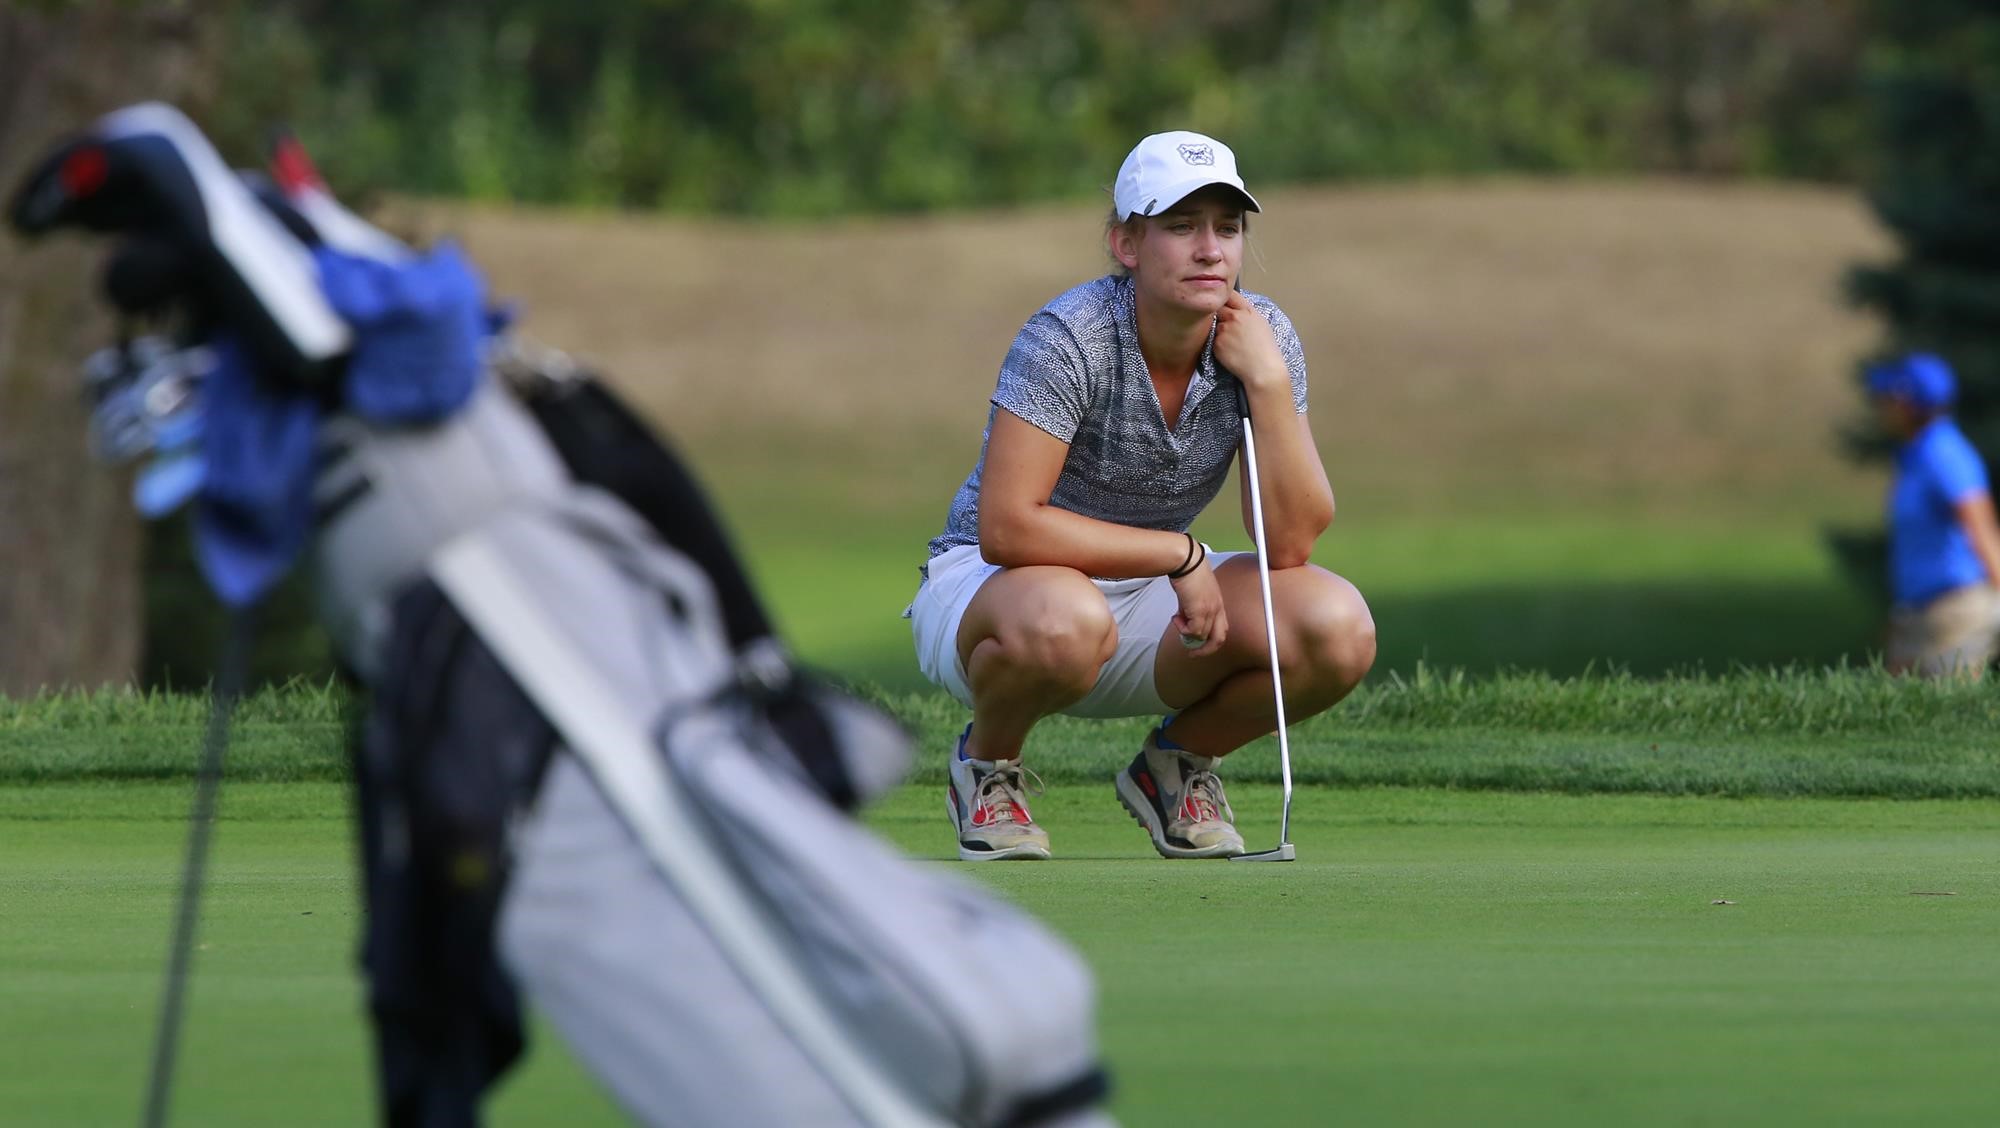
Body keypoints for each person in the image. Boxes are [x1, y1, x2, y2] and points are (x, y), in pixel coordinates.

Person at [908, 130, 1377, 861]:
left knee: (1337, 628)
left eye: (1228, 228)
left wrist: (1269, 383)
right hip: (995, 587)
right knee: (1067, 617)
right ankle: (987, 766)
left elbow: (1289, 544)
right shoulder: (1069, 336)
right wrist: (1179, 556)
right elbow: (1006, 528)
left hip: (1150, 591)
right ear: (1126, 244)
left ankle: (1174, 765)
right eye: (1182, 227)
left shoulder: (1262, 338)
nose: (1210, 250)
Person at [1870, 352, 2000, 678]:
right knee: (1894, 704)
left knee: (1946, 705)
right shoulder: (1918, 454)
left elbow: (1981, 528)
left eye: (1887, 398)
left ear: (1907, 403)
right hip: (1920, 613)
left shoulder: (1945, 455)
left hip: (1955, 612)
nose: (1881, 406)